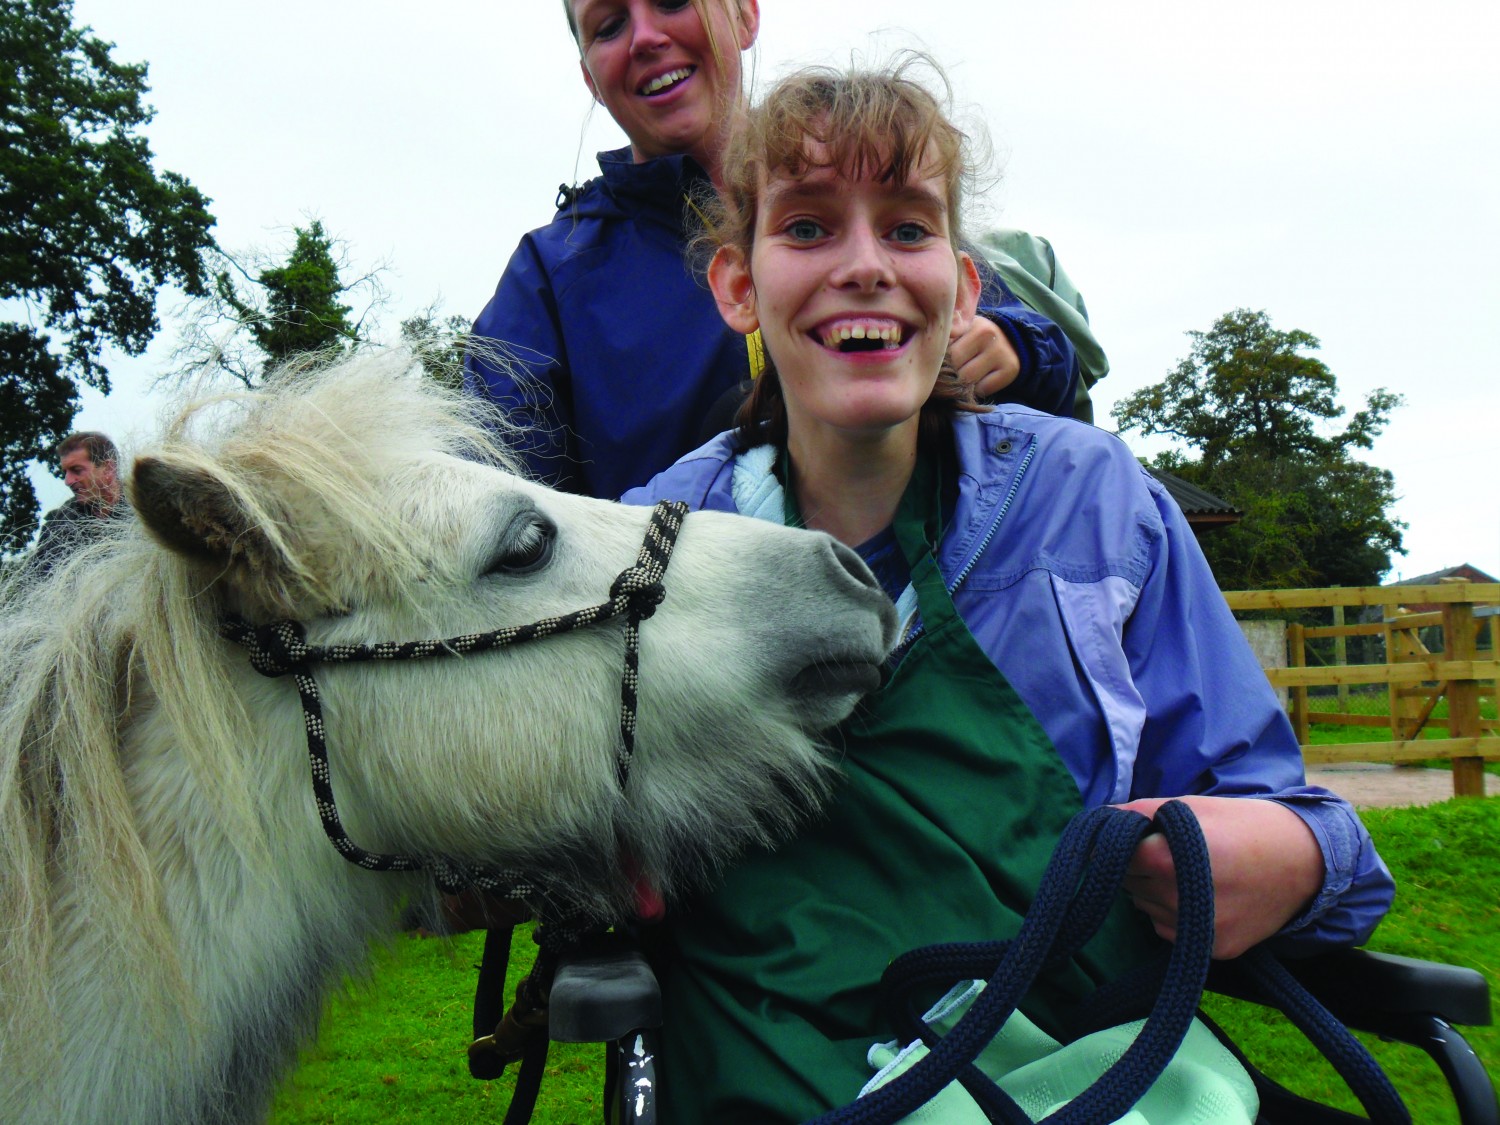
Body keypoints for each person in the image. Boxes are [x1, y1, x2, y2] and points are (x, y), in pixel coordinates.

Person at [621, 58, 1395, 1123]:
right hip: (787, 1086)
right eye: (806, 228)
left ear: (964, 284)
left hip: (1101, 1077)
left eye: (907, 228)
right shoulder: (655, 542)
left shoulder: (1095, 504)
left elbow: (1291, 820)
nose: (864, 267)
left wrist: (1296, 857)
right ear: (737, 285)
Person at [463, 0, 1084, 500]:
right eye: (609, 25)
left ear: (745, 14)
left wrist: (1020, 349)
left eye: (673, 1)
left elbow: (1049, 390)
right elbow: (494, 498)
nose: (645, 36)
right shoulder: (552, 275)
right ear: (590, 78)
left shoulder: (866, 177)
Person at [27, 431, 130, 576]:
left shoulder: (143, 511)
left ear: (108, 468)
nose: (68, 481)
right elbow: (34, 584)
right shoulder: (56, 526)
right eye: (65, 472)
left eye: (77, 470)